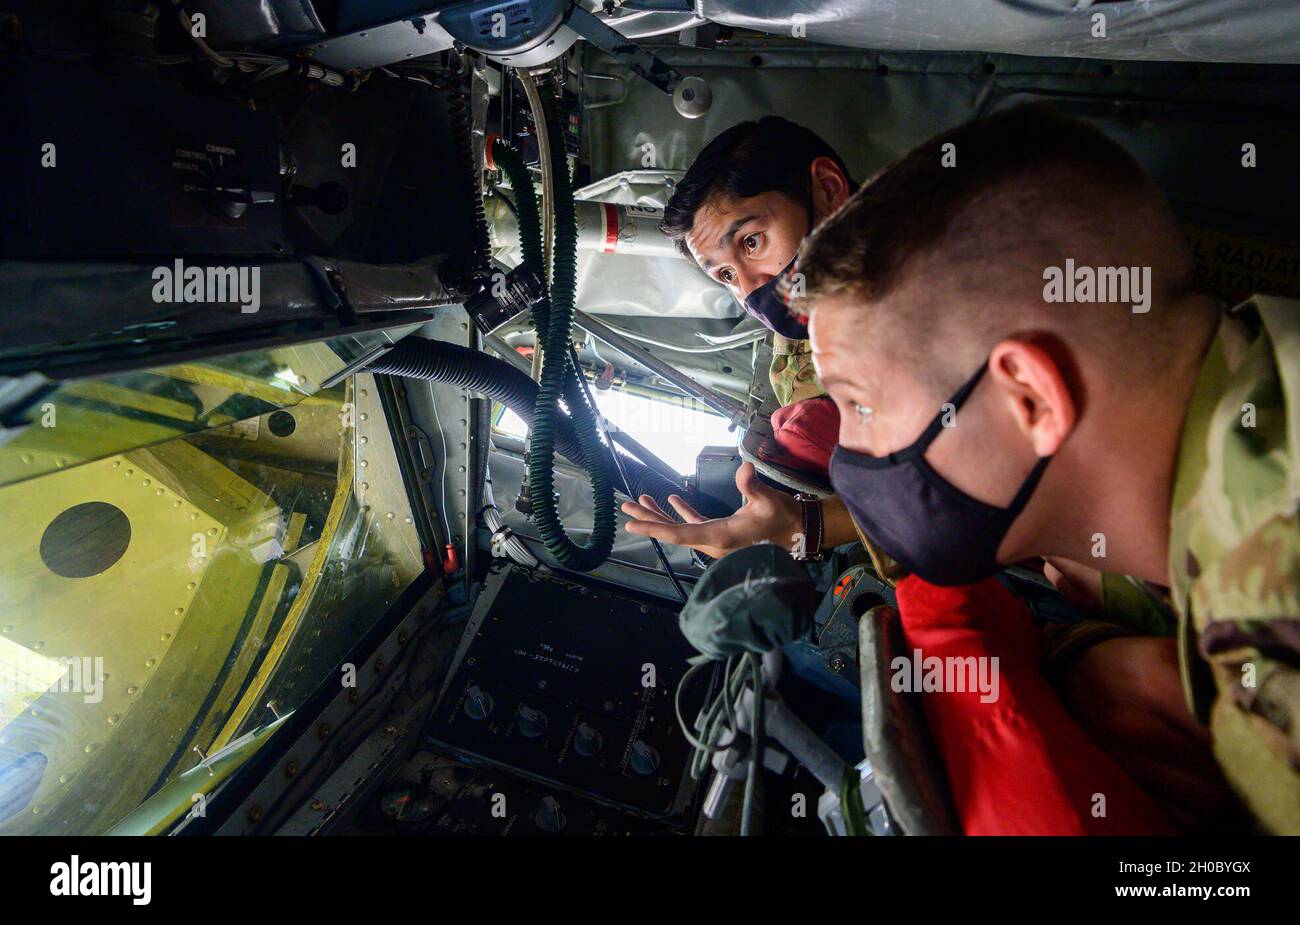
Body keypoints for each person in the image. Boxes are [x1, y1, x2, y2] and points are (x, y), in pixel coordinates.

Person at [797, 102, 1300, 834]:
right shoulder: (1259, 377)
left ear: (1029, 397)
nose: (846, 459)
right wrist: (1092, 660)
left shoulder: (1272, 598)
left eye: (860, 405)